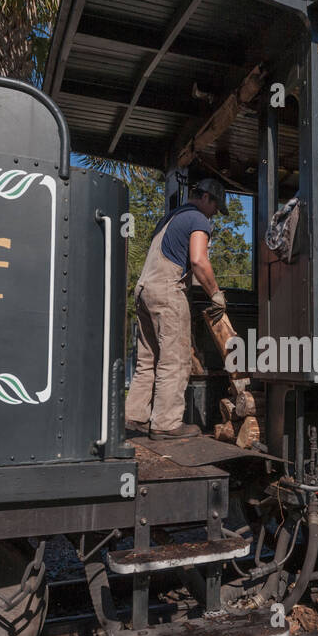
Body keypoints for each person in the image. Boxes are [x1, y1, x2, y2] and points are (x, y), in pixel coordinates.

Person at [125, 178, 227, 440]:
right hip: (168, 291)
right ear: (206, 198)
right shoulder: (198, 220)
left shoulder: (171, 217)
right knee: (176, 359)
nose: (215, 213)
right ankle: (167, 423)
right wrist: (215, 294)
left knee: (148, 359)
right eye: (216, 207)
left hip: (145, 288)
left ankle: (134, 417)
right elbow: (198, 260)